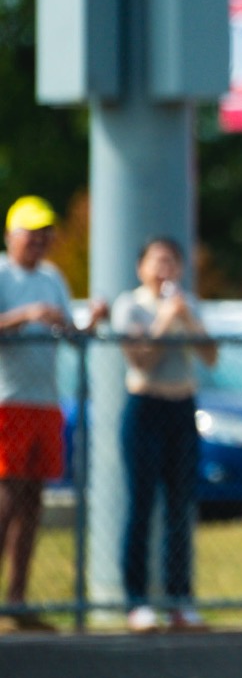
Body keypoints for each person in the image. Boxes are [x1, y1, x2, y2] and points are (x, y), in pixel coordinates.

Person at [0, 195, 104, 630]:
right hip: (8, 401)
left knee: (33, 503)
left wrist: (89, 321)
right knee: (5, 500)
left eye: (46, 234)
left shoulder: (52, 277)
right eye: (33, 233)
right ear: (12, 235)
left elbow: (70, 333)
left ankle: (18, 599)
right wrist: (25, 315)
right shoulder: (3, 273)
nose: (40, 242)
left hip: (45, 402)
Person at [110, 238, 216, 632]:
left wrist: (188, 318)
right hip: (145, 408)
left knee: (179, 507)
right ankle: (136, 602)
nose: (164, 269)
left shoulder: (187, 303)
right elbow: (141, 360)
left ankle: (179, 600)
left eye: (172, 262)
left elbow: (211, 356)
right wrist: (165, 320)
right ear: (141, 267)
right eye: (157, 261)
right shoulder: (131, 304)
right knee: (141, 506)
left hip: (181, 407)